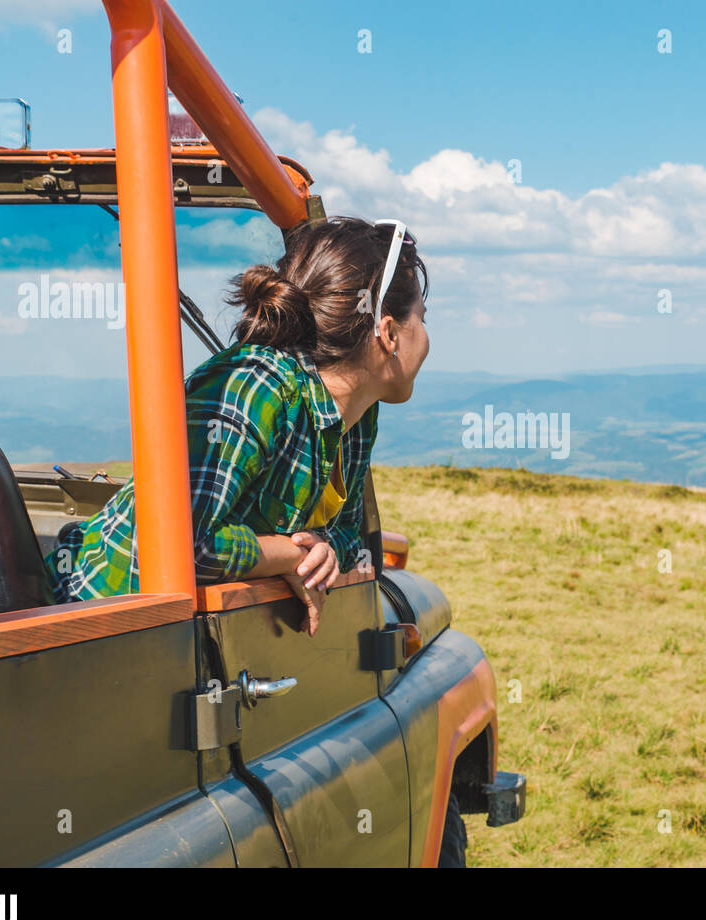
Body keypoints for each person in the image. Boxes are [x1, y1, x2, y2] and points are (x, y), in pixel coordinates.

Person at [45, 216, 429, 635]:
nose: (426, 337)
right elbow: (175, 549)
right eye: (421, 319)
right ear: (388, 334)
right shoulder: (253, 387)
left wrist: (322, 552)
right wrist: (284, 554)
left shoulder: (358, 415)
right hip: (90, 624)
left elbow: (345, 531)